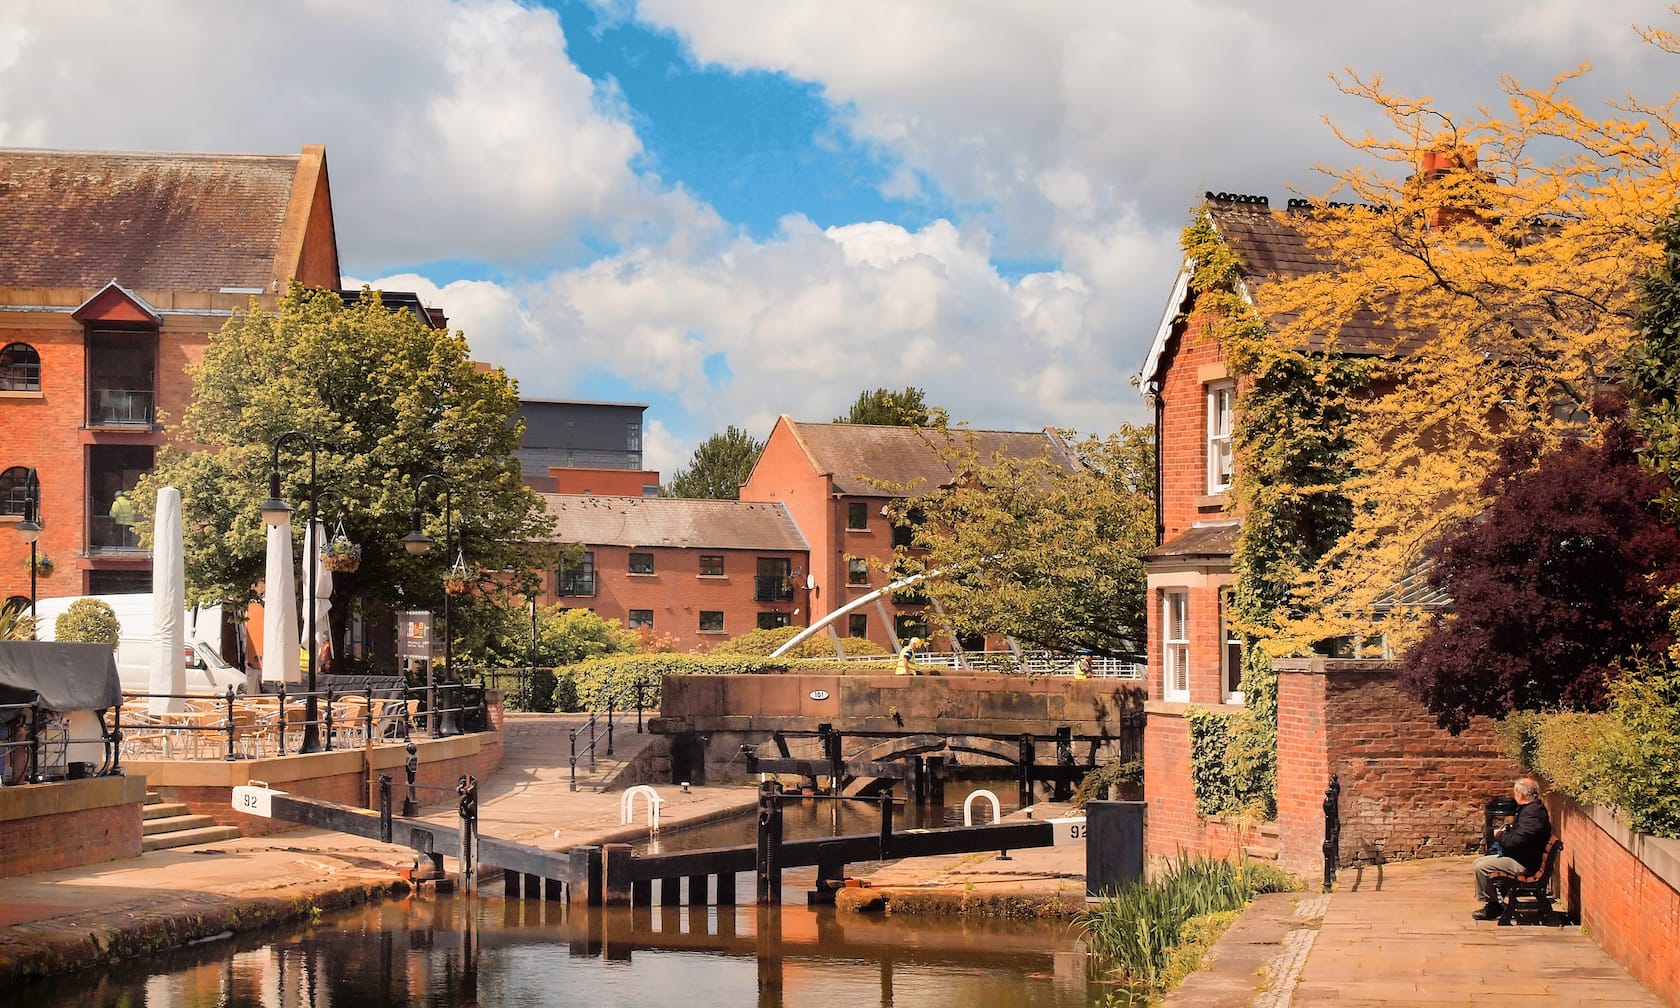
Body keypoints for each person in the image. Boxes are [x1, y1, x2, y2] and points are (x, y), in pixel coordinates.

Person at [1471, 776, 1552, 920]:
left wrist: (1499, 835)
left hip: (1524, 863)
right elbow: (1520, 836)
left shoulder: (1532, 815)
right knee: (1478, 862)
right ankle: (1493, 902)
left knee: (1481, 867)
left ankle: (1492, 905)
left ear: (1520, 794)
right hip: (1523, 856)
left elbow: (1516, 841)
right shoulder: (1532, 810)